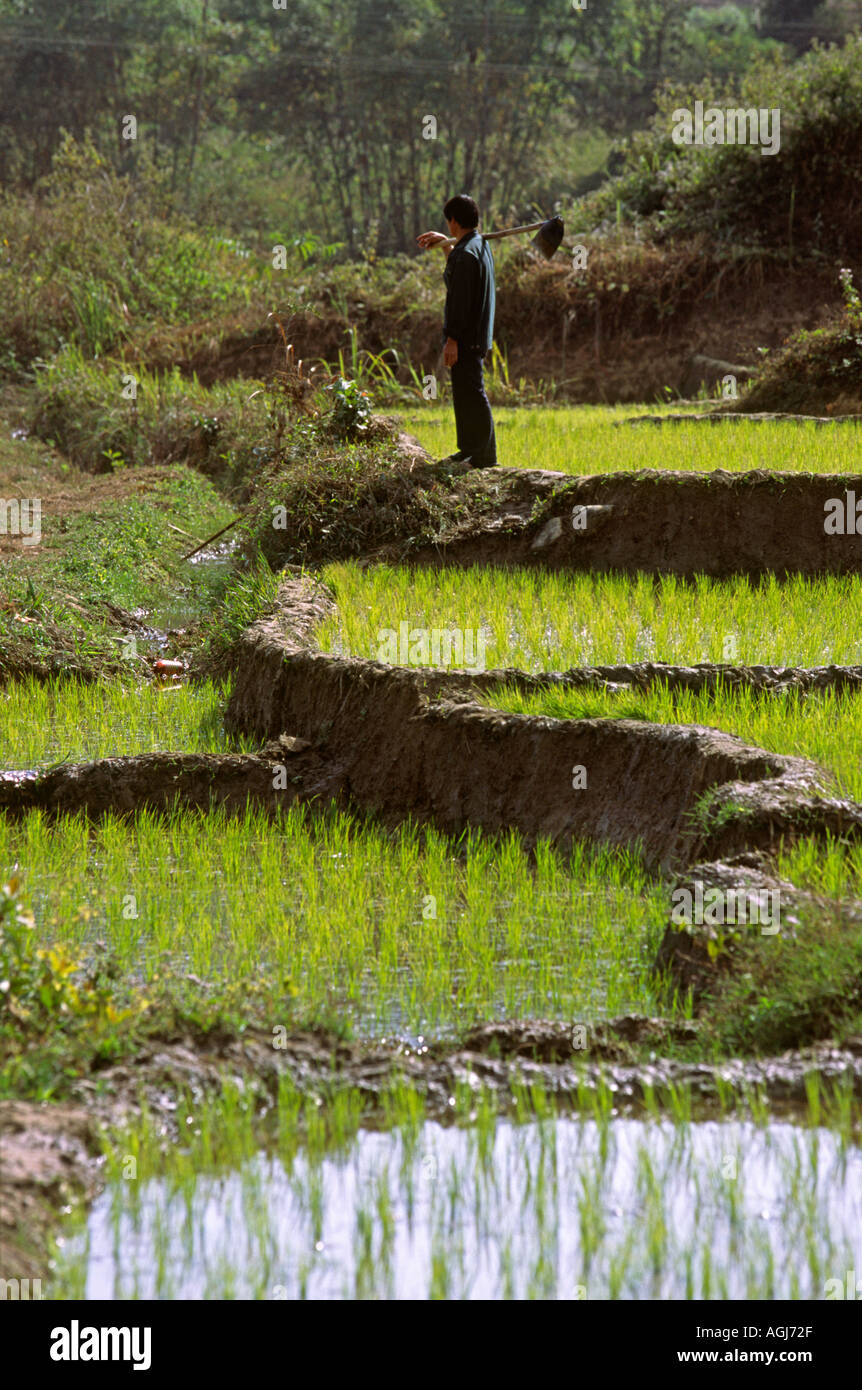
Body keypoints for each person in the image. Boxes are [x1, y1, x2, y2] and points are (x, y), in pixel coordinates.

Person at [416, 194, 497, 469]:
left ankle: (483, 455)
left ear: (453, 221)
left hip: (465, 337)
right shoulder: (480, 245)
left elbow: (459, 301)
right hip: (476, 334)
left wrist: (452, 339)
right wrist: (445, 244)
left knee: (472, 392)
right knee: (466, 392)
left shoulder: (466, 254)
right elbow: (459, 275)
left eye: (447, 222)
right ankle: (470, 450)